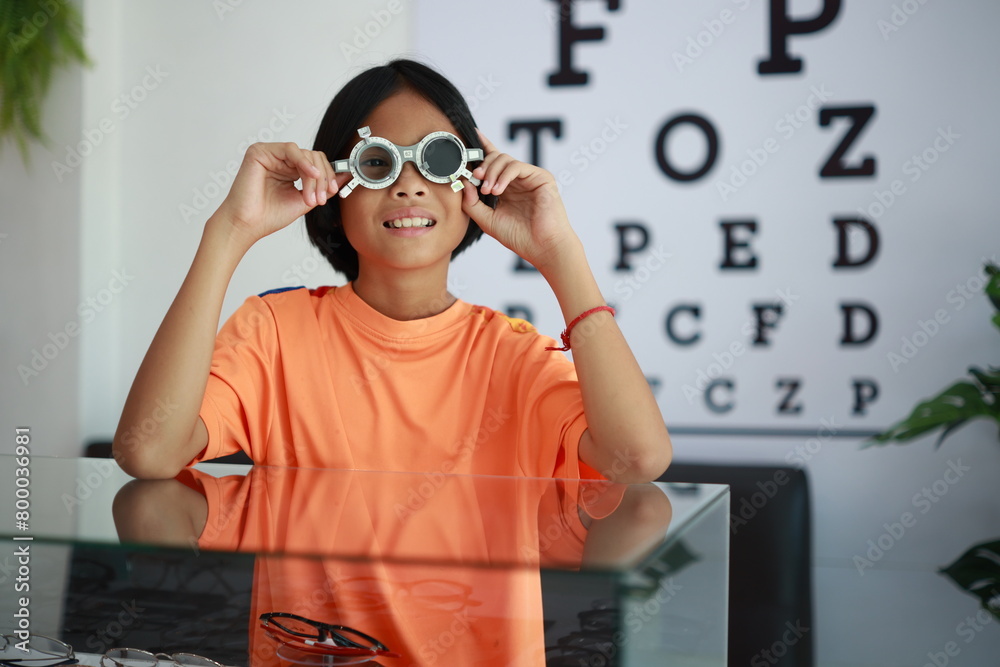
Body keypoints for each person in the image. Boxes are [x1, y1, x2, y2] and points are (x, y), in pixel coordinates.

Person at [113, 59, 671, 483]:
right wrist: (227, 233)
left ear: (472, 183)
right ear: (334, 187)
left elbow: (637, 458)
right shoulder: (275, 334)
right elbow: (148, 450)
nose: (408, 185)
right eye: (376, 163)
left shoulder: (515, 356)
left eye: (439, 160)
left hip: (482, 640)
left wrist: (560, 252)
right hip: (310, 641)